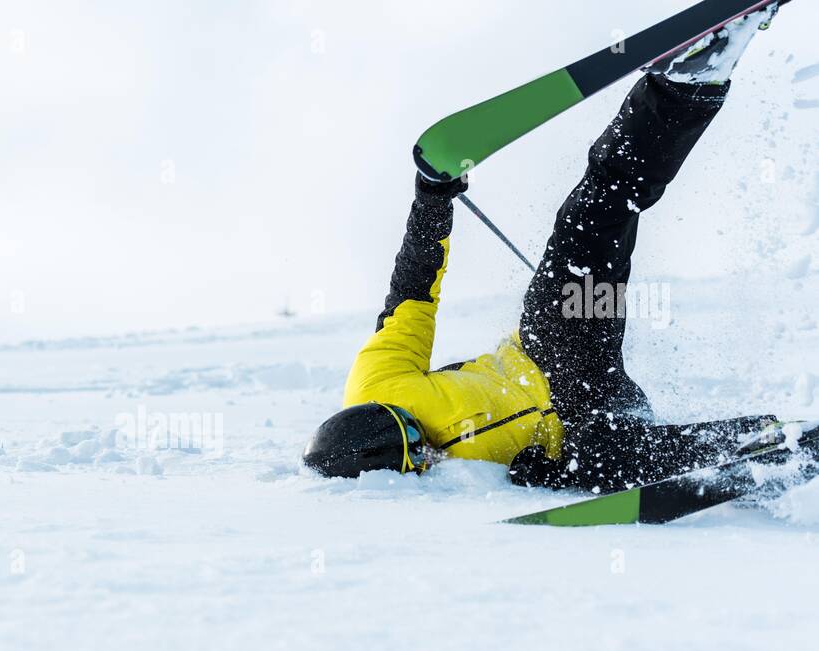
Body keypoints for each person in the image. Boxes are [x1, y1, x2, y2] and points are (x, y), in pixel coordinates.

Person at [303, 3, 786, 493]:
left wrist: (431, 201)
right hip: (599, 407)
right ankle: (766, 447)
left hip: (559, 346)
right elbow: (497, 483)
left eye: (415, 434)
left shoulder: (377, 378)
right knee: (601, 461)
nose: (429, 451)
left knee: (591, 221)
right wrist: (546, 475)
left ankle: (687, 84)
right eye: (418, 458)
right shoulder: (435, 484)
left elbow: (413, 289)